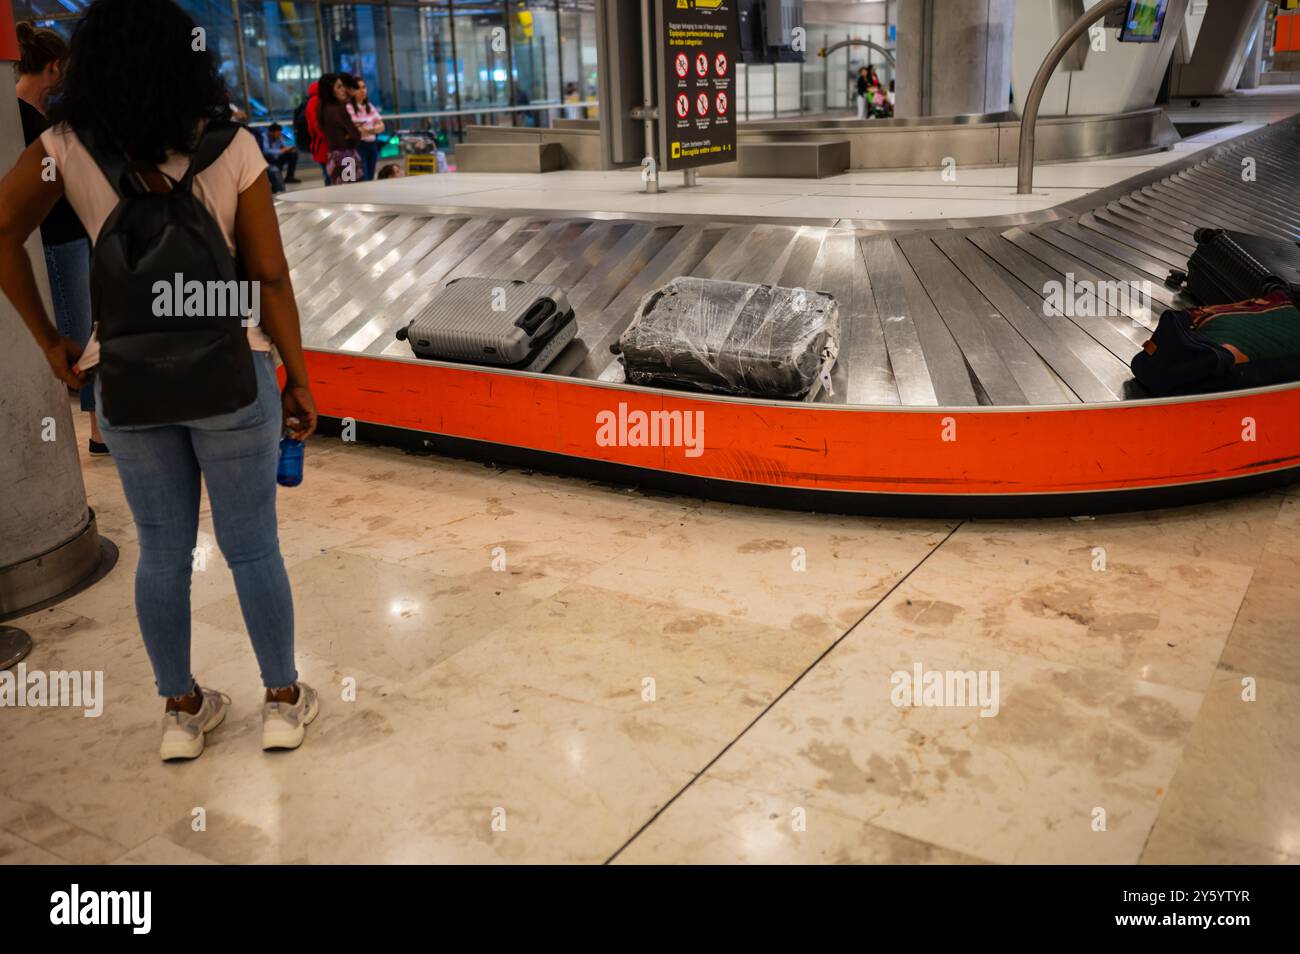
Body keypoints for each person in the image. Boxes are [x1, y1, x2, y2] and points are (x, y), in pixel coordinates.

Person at [0, 0, 320, 761]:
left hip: (128, 378)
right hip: (231, 368)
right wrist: (300, 380)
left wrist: (50, 342)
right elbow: (269, 278)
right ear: (193, 59)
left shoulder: (63, 144)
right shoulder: (231, 145)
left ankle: (181, 712)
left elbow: (3, 232)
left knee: (163, 551)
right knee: (252, 549)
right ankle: (281, 701)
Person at [13, 22, 106, 455]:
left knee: (85, 327)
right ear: (53, 67)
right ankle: (97, 429)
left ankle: (98, 426)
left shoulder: (39, 114)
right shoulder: (20, 118)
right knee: (80, 331)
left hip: (70, 234)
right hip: (55, 238)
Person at [318, 72, 361, 185]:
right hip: (346, 158)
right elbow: (355, 136)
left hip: (336, 158)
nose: (344, 90)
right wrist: (352, 134)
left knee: (343, 193)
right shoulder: (337, 110)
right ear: (330, 90)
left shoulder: (324, 109)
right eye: (339, 86)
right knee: (350, 194)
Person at [346, 77, 384, 182]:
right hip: (359, 146)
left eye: (364, 87)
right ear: (352, 91)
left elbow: (382, 126)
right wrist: (374, 128)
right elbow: (358, 129)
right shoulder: (349, 107)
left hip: (372, 146)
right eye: (358, 88)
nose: (363, 90)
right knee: (363, 179)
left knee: (371, 178)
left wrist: (369, 130)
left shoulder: (369, 106)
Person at [259, 122, 299, 193]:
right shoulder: (264, 137)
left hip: (278, 156)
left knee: (293, 155)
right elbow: (266, 151)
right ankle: (277, 188)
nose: (279, 135)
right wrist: (280, 151)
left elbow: (283, 145)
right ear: (271, 132)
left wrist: (288, 149)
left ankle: (289, 177)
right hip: (268, 159)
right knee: (274, 171)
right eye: (278, 133)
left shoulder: (279, 136)